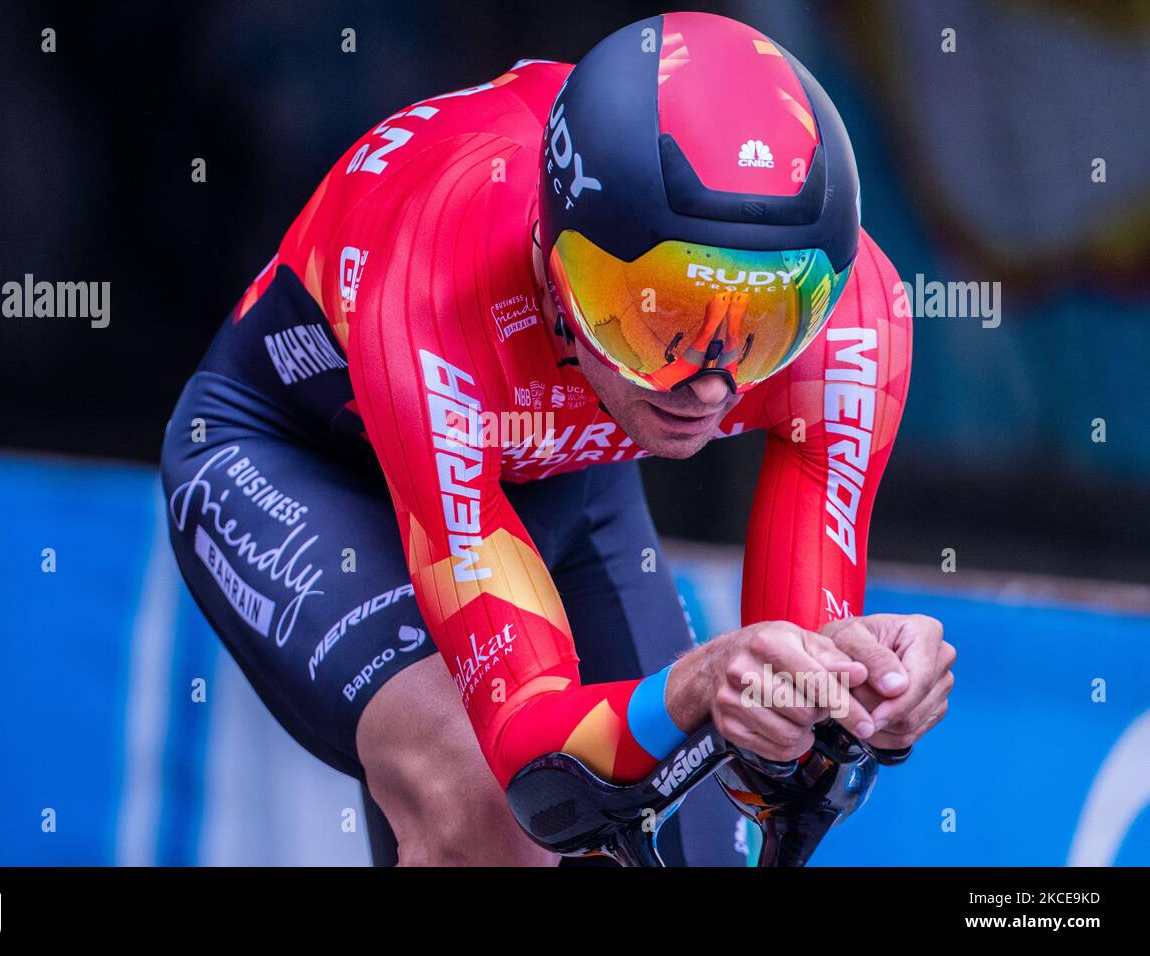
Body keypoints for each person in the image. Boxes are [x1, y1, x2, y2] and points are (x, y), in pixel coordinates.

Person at [160, 11, 953, 866]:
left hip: (550, 462)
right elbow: (538, 773)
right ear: (553, 261)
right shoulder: (441, 278)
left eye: (762, 325)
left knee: (703, 851)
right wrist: (692, 687)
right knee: (479, 810)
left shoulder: (849, 318)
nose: (712, 383)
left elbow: (779, 768)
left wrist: (857, 703)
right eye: (659, 318)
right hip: (300, 458)